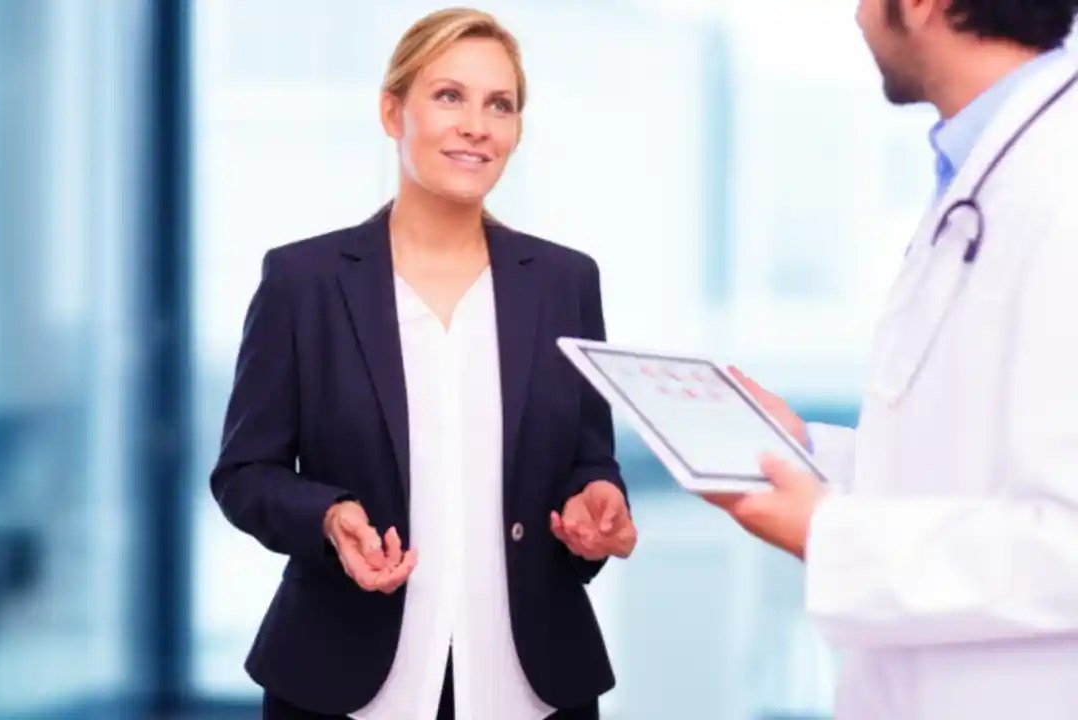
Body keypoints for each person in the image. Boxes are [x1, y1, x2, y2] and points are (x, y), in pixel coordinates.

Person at [209, 8, 637, 719]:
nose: (476, 125)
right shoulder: (303, 282)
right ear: (391, 111)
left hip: (530, 686)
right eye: (449, 96)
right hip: (341, 683)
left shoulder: (566, 284)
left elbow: (588, 463)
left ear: (517, 130)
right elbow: (243, 474)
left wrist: (597, 505)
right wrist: (327, 516)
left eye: (499, 104)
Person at [705, 1, 1078, 718]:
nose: (855, 15)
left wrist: (828, 533)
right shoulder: (989, 168)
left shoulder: (1059, 188)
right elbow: (968, 463)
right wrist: (806, 453)